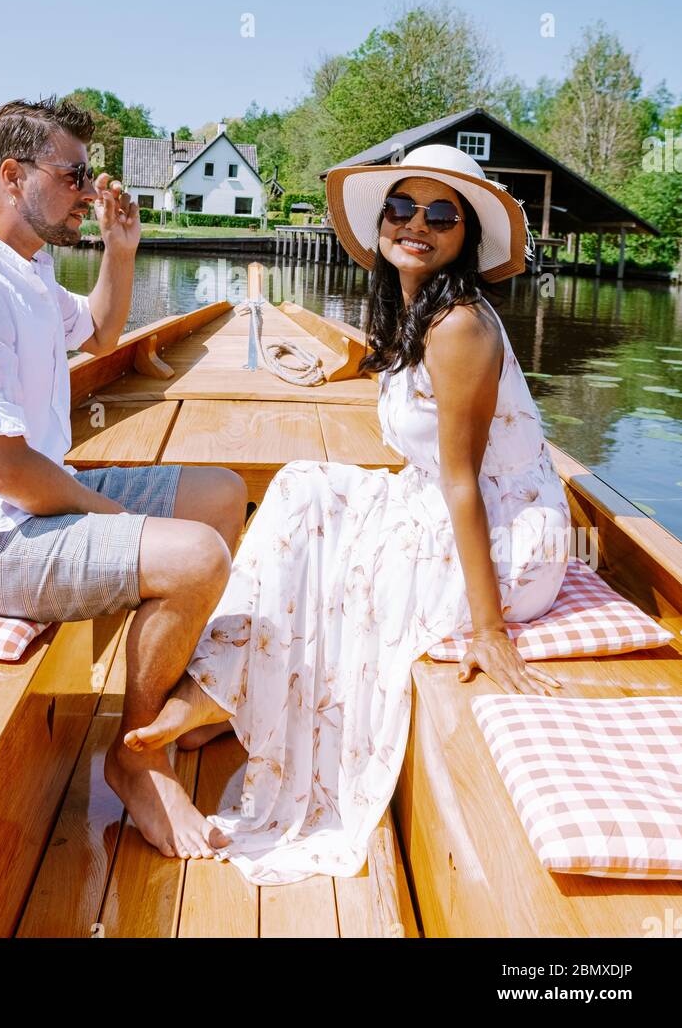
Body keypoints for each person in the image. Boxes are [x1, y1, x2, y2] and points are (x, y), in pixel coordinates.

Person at [122, 143, 573, 885]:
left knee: (357, 559)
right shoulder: (417, 310)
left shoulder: (459, 325)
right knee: (303, 487)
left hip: (509, 534)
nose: (415, 225)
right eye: (400, 208)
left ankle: (213, 697)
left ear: (467, 235)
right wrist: (358, 363)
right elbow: (415, 409)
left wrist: (491, 633)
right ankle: (226, 689)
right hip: (449, 497)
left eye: (439, 214)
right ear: (382, 222)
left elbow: (463, 480)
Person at [0, 97, 245, 861]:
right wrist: (113, 518)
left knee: (221, 494)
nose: (90, 187)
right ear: (13, 177)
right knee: (195, 557)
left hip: (29, 501)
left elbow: (104, 332)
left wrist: (120, 247)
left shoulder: (25, 266)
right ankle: (137, 756)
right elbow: (4, 469)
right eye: (75, 173)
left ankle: (173, 694)